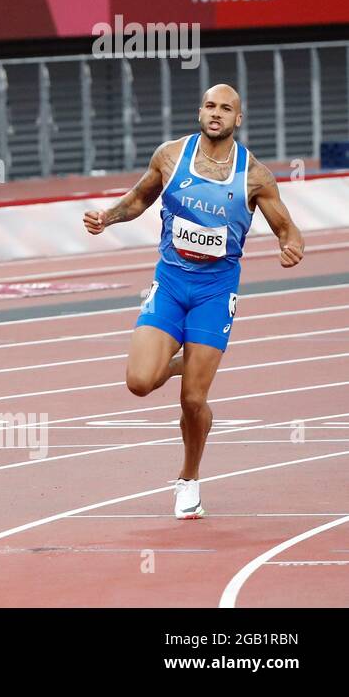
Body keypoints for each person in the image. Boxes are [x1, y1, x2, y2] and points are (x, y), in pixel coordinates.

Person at [83, 84, 305, 519]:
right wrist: (107, 216)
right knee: (140, 382)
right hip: (168, 283)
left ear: (237, 119)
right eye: (209, 105)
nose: (216, 113)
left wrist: (291, 246)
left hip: (215, 292)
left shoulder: (255, 176)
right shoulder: (170, 155)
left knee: (192, 399)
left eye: (225, 108)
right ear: (199, 111)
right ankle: (192, 353)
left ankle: (188, 480)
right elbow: (141, 198)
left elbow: (286, 227)